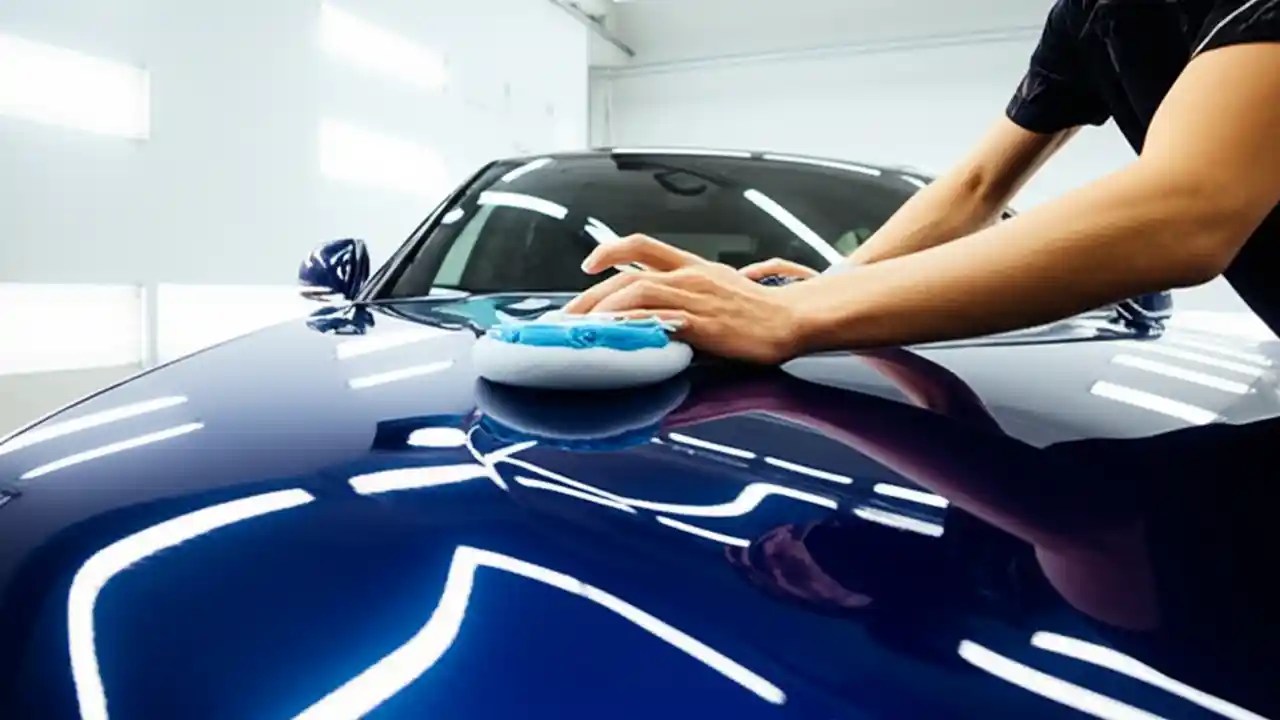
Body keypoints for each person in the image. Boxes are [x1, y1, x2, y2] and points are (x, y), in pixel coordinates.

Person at [564, 0, 1280, 363]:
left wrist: (798, 317)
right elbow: (974, 188)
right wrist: (825, 288)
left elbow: (1192, 206)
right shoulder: (1087, 15)